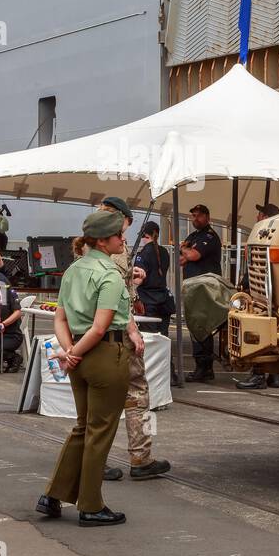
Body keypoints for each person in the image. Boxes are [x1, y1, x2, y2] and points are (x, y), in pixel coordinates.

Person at [35, 209, 144, 526]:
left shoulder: (73, 271)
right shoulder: (109, 274)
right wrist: (74, 353)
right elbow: (99, 328)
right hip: (105, 354)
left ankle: (53, 495)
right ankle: (91, 505)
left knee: (84, 427)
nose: (123, 240)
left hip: (79, 356)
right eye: (118, 235)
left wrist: (70, 351)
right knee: (100, 432)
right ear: (102, 240)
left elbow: (60, 319)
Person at [100, 196, 170, 482]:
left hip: (100, 332)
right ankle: (140, 458)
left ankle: (97, 456)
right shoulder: (114, 248)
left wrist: (134, 283)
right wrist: (132, 328)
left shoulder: (95, 245)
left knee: (103, 398)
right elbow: (117, 295)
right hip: (117, 331)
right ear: (121, 219)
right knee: (136, 395)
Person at [236, 203, 279, 390]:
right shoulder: (278, 236)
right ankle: (274, 376)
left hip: (261, 293)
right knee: (274, 332)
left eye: (260, 214)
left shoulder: (264, 237)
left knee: (257, 333)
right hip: (273, 294)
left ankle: (258, 375)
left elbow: (257, 267)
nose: (257, 217)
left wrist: (245, 285)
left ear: (265, 217)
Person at [182, 203, 223, 382]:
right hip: (193, 288)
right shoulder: (194, 236)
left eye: (198, 216)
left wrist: (185, 248)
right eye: (193, 216)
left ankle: (204, 368)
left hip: (205, 289)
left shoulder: (209, 236)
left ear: (207, 217)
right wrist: (186, 250)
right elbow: (182, 260)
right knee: (194, 326)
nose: (195, 219)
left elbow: (192, 256)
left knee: (201, 327)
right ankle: (203, 367)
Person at [133, 221, 173, 334]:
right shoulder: (165, 252)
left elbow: (138, 280)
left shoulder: (143, 254)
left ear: (145, 235)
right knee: (163, 336)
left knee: (150, 337)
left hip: (148, 301)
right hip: (164, 300)